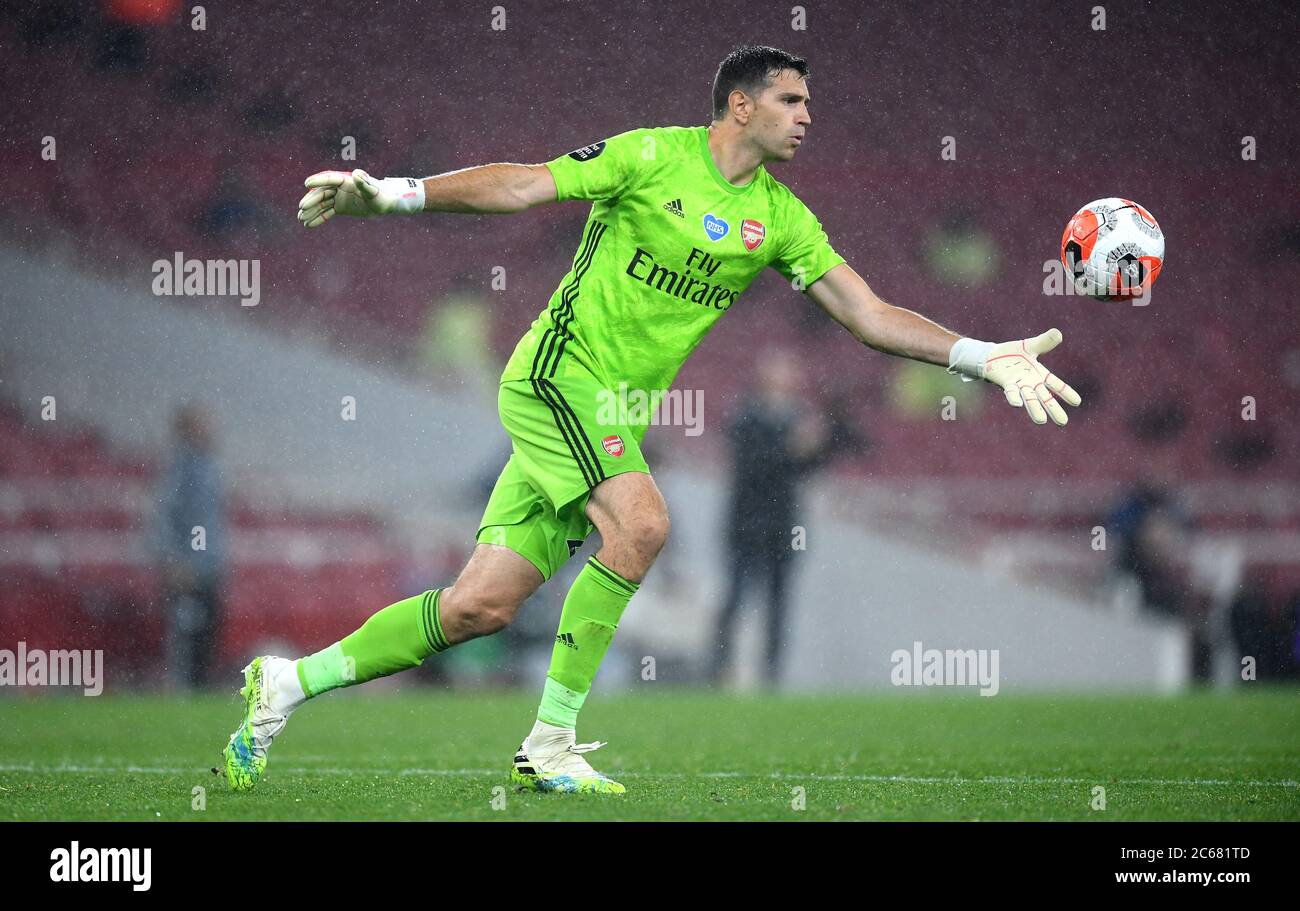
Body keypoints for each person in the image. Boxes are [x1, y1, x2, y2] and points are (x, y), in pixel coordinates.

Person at [223, 45, 1082, 795]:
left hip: (610, 414)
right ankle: (549, 744)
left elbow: (868, 313)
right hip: (558, 375)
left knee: (477, 608)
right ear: (740, 105)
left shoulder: (779, 217)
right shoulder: (648, 157)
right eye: (792, 100)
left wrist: (980, 355)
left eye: (810, 104)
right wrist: (394, 196)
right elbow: (525, 183)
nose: (806, 118)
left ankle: (287, 685)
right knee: (644, 524)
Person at [708, 349, 845, 686]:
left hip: (783, 525)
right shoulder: (745, 415)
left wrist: (818, 445)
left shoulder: (798, 416)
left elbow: (805, 469)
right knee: (736, 598)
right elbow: (754, 465)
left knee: (778, 604)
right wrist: (792, 448)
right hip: (746, 522)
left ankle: (771, 675)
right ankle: (719, 669)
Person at [154, 404, 226, 689]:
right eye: (203, 423)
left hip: (208, 567)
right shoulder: (180, 470)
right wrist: (173, 561)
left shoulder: (208, 467)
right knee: (188, 636)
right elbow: (164, 516)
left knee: (206, 634)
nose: (211, 429)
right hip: (189, 569)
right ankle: (185, 692)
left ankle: (200, 691)